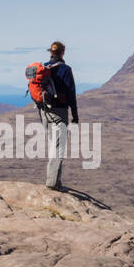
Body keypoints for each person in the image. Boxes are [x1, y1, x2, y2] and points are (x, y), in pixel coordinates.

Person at [39, 41, 79, 191]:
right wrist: (75, 116)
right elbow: (71, 94)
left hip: (44, 112)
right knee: (58, 147)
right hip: (59, 112)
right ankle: (53, 183)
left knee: (53, 145)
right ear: (62, 53)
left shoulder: (43, 68)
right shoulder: (65, 69)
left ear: (51, 52)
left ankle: (56, 180)